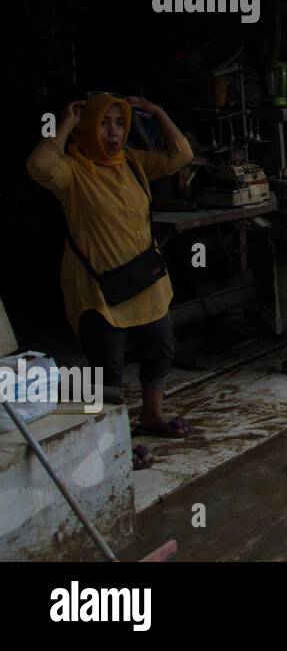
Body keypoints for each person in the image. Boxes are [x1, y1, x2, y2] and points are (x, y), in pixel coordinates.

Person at [26, 93, 195, 470]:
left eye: (120, 123)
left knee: (161, 349)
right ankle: (112, 440)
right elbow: (38, 165)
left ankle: (151, 415)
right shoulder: (71, 171)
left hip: (146, 281)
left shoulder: (133, 162)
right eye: (103, 123)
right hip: (98, 287)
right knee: (107, 367)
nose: (114, 132)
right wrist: (65, 123)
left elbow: (180, 156)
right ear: (87, 126)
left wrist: (158, 111)